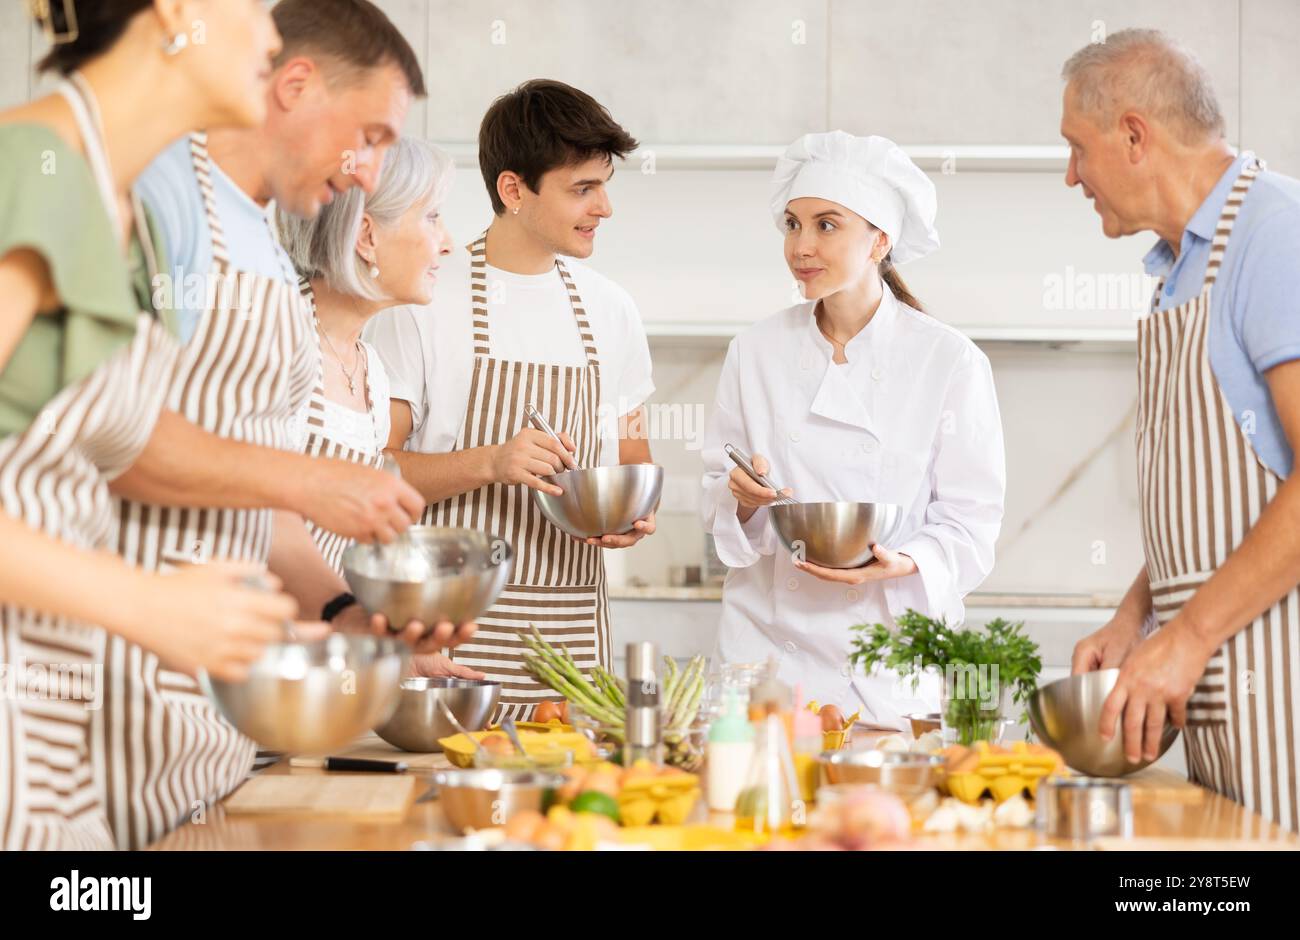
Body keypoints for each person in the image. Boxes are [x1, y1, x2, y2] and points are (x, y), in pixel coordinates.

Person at [102, 0, 473, 850]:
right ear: (296, 86)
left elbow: (258, 504)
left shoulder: (265, 244)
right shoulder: (162, 198)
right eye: (372, 136)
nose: (373, 174)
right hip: (122, 675)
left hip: (221, 704)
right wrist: (313, 478)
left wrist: (347, 616)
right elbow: (116, 437)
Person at [0, 0, 303, 850]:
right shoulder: (30, 166)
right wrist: (141, 601)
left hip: (54, 726)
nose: (275, 39)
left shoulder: (126, 210)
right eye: (258, 8)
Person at [1063, 29, 1300, 833]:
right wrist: (1140, 617)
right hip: (1224, 688)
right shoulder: (1181, 267)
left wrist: (1189, 633)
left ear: (1133, 136)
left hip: (1284, 682)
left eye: (1077, 149)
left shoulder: (1273, 236)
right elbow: (1223, 505)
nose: (1072, 176)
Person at [368, 80, 657, 720]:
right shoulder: (421, 301)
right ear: (513, 190)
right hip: (448, 641)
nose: (604, 207)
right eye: (582, 188)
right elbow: (371, 473)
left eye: (605, 185)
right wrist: (491, 463)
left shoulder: (612, 311)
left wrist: (630, 510)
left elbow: (632, 450)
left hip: (571, 647)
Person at [700, 131, 1006, 728]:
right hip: (765, 664)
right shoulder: (754, 350)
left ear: (880, 240)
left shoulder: (948, 360)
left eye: (826, 225)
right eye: (792, 224)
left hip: (884, 670)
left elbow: (972, 521)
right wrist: (740, 499)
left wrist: (906, 561)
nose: (801, 246)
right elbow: (718, 495)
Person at [278, 136, 485, 681]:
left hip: (306, 668)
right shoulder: (280, 342)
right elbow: (252, 521)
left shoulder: (370, 367)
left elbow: (336, 551)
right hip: (230, 664)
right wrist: (348, 623)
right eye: (433, 217)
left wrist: (393, 645)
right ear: (367, 235)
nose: (448, 244)